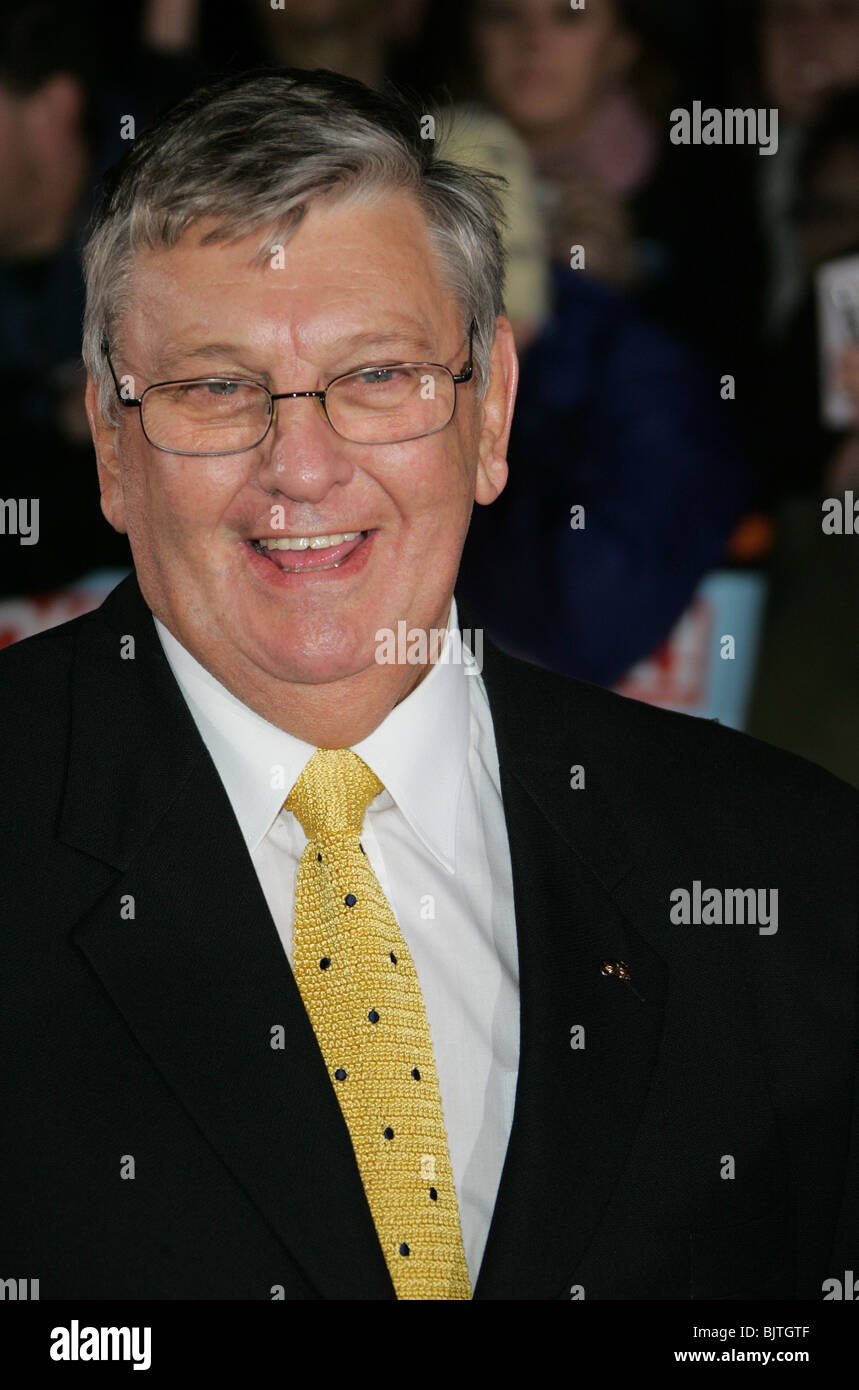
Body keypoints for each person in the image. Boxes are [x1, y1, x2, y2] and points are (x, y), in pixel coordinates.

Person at [0, 68, 856, 1301]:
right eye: (216, 387)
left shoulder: (791, 870)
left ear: (491, 408)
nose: (301, 467)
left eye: (377, 375)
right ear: (113, 445)